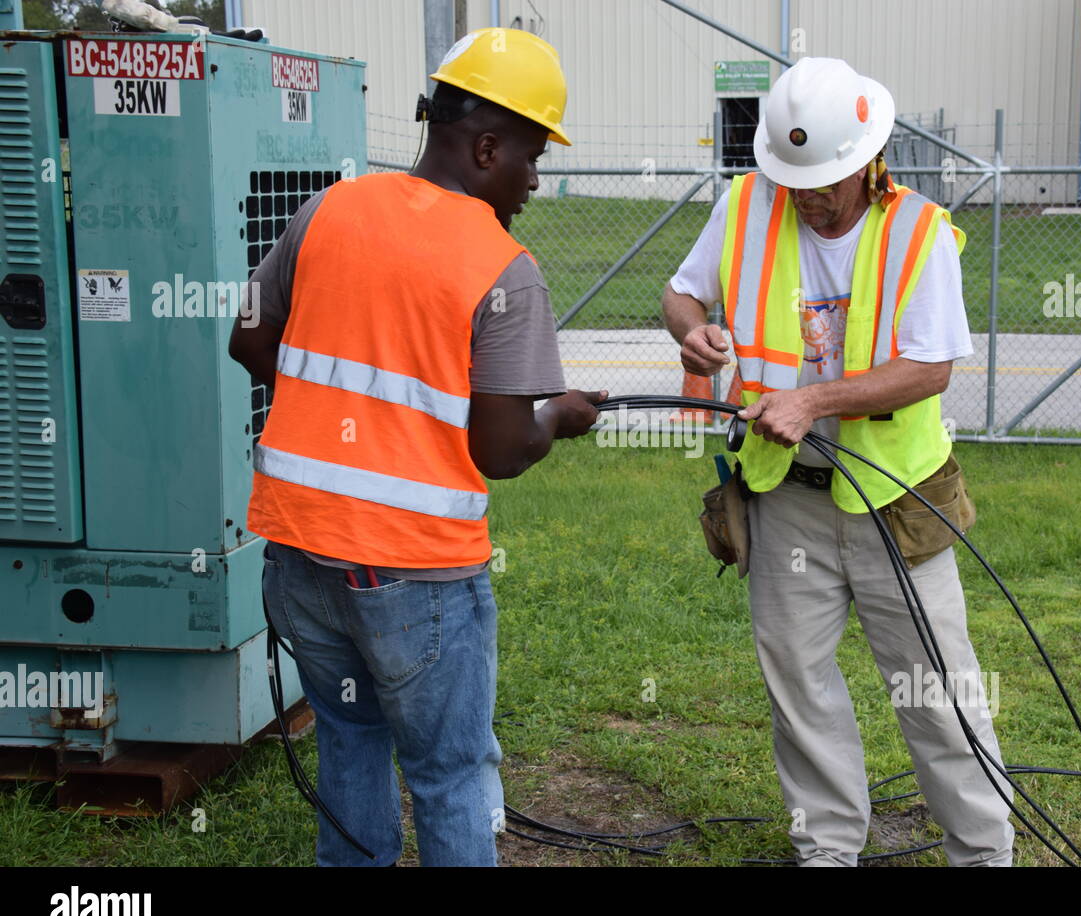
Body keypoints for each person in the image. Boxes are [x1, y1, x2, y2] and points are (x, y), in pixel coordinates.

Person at [228, 28, 604, 867]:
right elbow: (504, 449)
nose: (535, 180)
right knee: (447, 775)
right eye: (532, 158)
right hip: (418, 577)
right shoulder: (503, 267)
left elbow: (250, 338)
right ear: (483, 147)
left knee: (351, 743)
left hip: (298, 556)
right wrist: (561, 415)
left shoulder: (330, 208)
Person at [662, 57, 1015, 866]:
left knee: (934, 690)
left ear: (865, 161)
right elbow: (682, 291)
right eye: (796, 179)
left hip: (899, 499)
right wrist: (690, 330)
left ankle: (983, 853)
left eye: (824, 180)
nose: (809, 197)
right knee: (798, 683)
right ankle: (825, 848)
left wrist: (813, 401)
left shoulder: (919, 231)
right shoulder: (750, 205)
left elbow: (930, 367)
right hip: (786, 496)